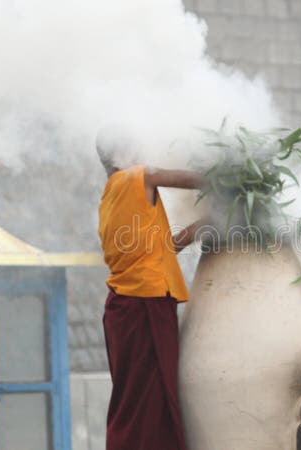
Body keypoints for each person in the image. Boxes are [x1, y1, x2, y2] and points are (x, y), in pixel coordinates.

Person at [96, 126, 204, 450]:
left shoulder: (109, 197)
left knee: (137, 400)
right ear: (120, 155)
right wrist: (224, 180)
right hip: (144, 305)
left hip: (127, 307)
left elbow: (156, 251)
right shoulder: (132, 178)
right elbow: (169, 175)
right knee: (151, 399)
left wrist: (197, 229)